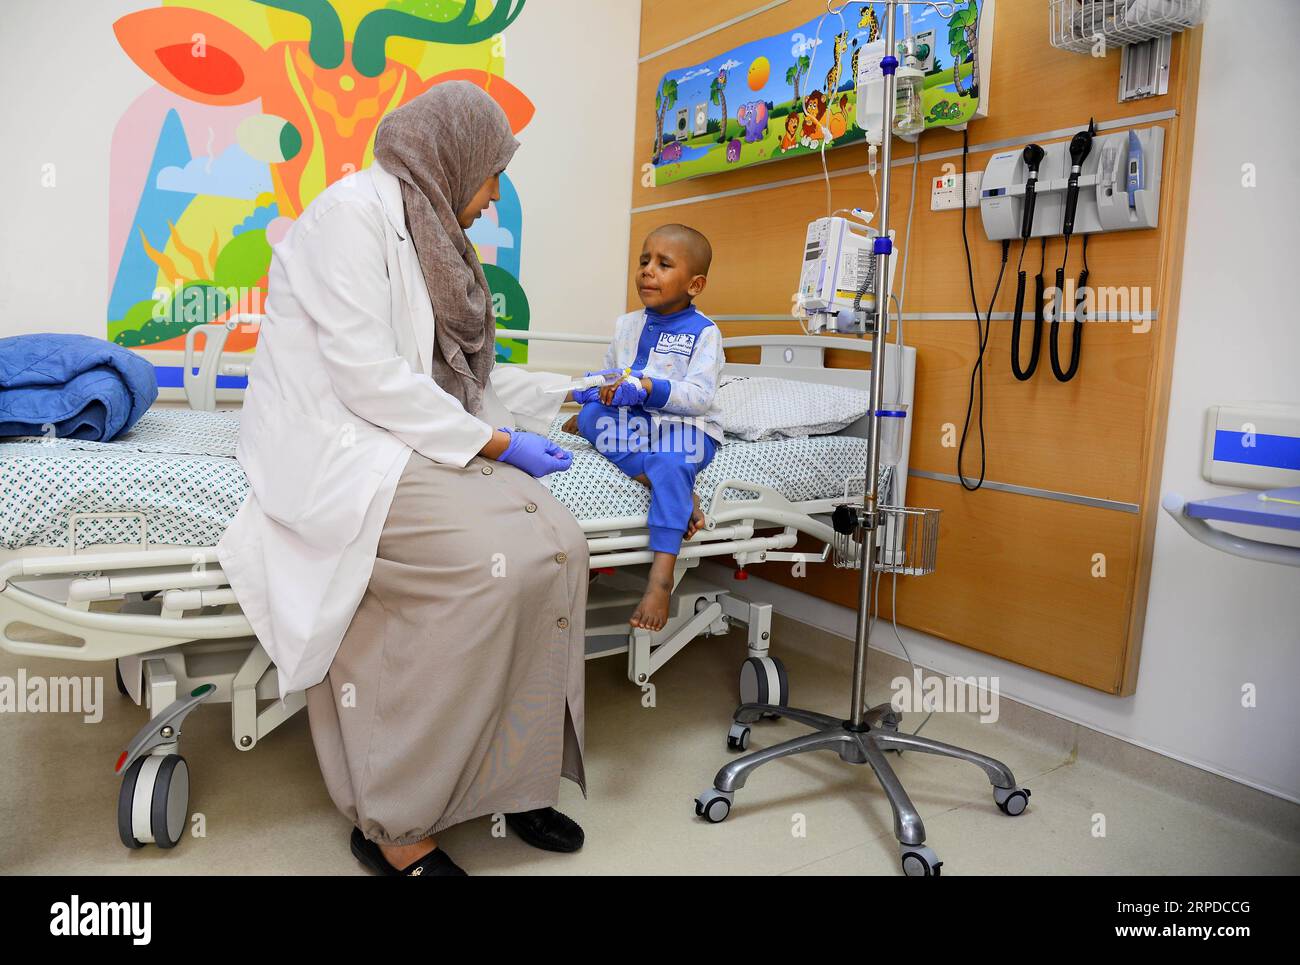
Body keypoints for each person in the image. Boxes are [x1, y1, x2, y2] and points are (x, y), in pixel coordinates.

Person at [217, 82, 589, 877]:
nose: (495, 196)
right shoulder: (348, 218)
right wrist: (496, 441)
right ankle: (396, 820)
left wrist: (575, 397)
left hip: (408, 433)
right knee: (495, 565)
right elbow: (368, 375)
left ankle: (516, 778)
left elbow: (460, 372)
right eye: (493, 174)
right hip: (340, 442)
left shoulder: (435, 236)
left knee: (563, 544)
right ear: (453, 158)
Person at [566, 224, 724, 631]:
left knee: (672, 460)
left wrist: (651, 387)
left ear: (695, 284)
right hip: (635, 422)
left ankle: (660, 578)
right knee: (590, 417)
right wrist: (594, 389)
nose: (647, 271)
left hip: (686, 426)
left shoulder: (704, 333)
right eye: (644, 261)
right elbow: (611, 374)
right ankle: (676, 492)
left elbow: (700, 397)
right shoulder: (626, 325)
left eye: (663, 264)